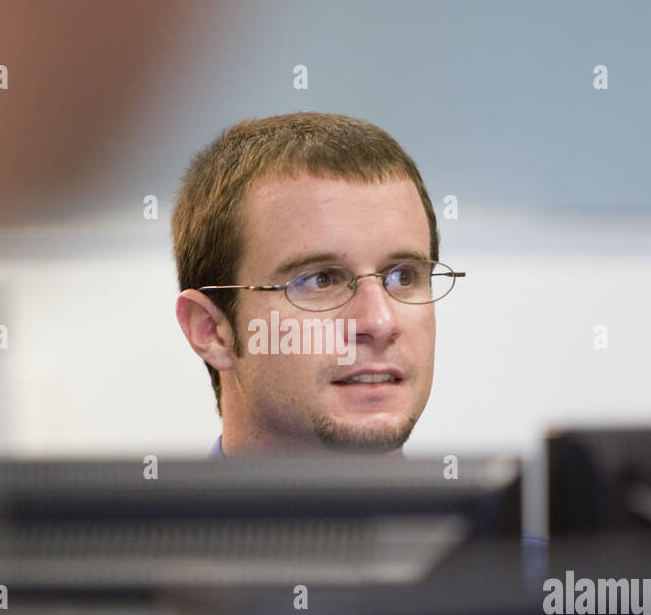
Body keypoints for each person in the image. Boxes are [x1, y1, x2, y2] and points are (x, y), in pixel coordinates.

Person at [172, 112, 464, 457]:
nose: (380, 322)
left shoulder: (511, 510)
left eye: (403, 277)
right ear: (212, 330)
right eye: (321, 280)